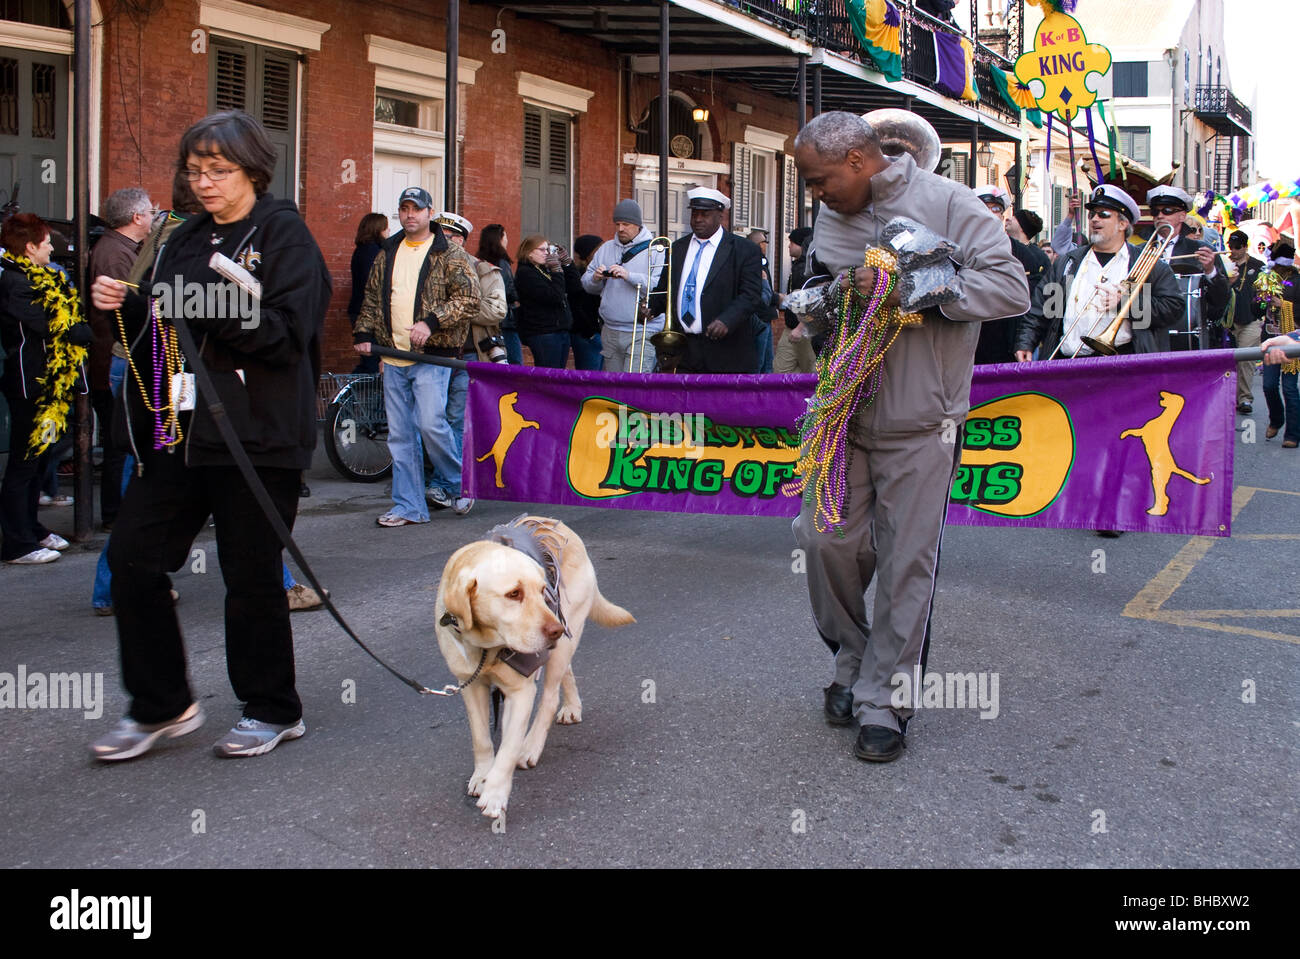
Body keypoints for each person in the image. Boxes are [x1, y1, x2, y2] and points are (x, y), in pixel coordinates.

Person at [87, 110, 332, 760]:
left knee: (250, 576)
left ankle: (272, 707)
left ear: (252, 168)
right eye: (195, 170)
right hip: (185, 429)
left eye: (218, 170)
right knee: (132, 558)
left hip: (259, 434)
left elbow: (286, 333)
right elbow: (167, 327)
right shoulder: (182, 235)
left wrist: (196, 301)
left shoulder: (285, 235)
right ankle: (161, 703)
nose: (203, 182)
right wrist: (127, 302)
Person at [791, 111, 1029, 762]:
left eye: (819, 181)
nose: (815, 195)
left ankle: (882, 703)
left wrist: (911, 288)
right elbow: (820, 295)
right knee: (823, 541)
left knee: (905, 568)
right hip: (846, 415)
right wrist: (839, 291)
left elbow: (1011, 288)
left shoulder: (952, 203)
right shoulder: (835, 212)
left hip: (924, 420)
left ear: (858, 163)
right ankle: (854, 660)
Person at [354, 186, 479, 524]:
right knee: (400, 435)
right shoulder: (388, 250)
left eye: (416, 208)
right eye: (404, 208)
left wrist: (431, 321)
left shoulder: (449, 253)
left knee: (430, 425)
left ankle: (460, 482)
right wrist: (364, 333)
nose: (410, 214)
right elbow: (372, 298)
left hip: (431, 357)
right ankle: (409, 506)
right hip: (393, 355)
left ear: (429, 212)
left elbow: (469, 299)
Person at [0, 212, 91, 565]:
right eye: (47, 242)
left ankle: (32, 528)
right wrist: (76, 331)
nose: (52, 248)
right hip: (29, 386)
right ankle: (16, 542)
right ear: (29, 247)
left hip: (50, 386)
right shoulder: (15, 282)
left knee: (38, 462)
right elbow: (50, 324)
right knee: (24, 465)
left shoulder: (33, 276)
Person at [1015, 184, 1183, 362]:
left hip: (1125, 362)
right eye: (1092, 214)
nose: (1095, 219)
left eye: (1103, 215)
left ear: (1122, 224)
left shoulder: (1147, 264)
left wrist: (1127, 303)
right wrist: (1026, 342)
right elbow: (1042, 308)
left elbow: (1173, 308)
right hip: (1069, 361)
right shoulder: (1069, 263)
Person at [87, 187, 153, 530]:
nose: (155, 217)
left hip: (118, 354)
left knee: (124, 439)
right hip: (116, 355)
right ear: (136, 217)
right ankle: (116, 514)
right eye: (150, 212)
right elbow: (123, 309)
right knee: (121, 440)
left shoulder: (124, 249)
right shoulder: (115, 254)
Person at [650, 187, 764, 374]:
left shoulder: (744, 250)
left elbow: (751, 295)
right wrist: (651, 307)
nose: (698, 219)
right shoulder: (677, 248)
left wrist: (727, 320)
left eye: (705, 214)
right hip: (682, 350)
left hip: (726, 352)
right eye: (694, 213)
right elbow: (666, 289)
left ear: (721, 215)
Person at [1144, 185, 1229, 357]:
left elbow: (1221, 301)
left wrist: (1211, 271)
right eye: (1155, 211)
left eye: (1167, 210)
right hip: (1148, 338)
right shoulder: (1139, 251)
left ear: (1182, 216)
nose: (1160, 215)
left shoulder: (1200, 249)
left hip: (1187, 342)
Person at [580, 199, 664, 372]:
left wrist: (629, 276)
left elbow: (659, 287)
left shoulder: (656, 249)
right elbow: (587, 285)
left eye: (626, 224)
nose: (620, 229)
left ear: (638, 225)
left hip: (642, 330)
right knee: (614, 389)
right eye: (617, 224)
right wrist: (596, 279)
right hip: (610, 329)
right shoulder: (606, 248)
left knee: (635, 387)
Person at [973, 185, 1048, 364]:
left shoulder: (1023, 253)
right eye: (984, 208)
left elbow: (1034, 303)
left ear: (1002, 216)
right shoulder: (959, 249)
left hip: (1007, 344)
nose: (990, 213)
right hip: (970, 341)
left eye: (996, 209)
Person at [514, 234, 579, 369]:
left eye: (548, 250)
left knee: (558, 375)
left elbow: (575, 286)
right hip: (544, 332)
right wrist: (556, 270)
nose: (547, 254)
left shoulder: (545, 269)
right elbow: (555, 296)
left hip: (560, 329)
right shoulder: (526, 273)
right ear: (529, 253)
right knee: (548, 375)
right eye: (542, 250)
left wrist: (567, 263)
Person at [1259, 241, 1299, 448]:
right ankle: (1277, 418)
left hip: (1293, 341)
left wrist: (1283, 304)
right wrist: (1262, 300)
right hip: (1270, 337)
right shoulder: (1267, 279)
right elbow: (1256, 309)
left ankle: (1292, 433)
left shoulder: (1297, 281)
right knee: (1268, 386)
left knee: (1290, 389)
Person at [1223, 229, 1267, 417]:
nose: (1233, 250)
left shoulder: (1258, 266)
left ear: (1246, 247)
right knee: (1227, 362)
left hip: (1250, 320)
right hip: (1228, 322)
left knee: (1246, 361)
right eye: (1231, 246)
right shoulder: (1225, 264)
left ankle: (1245, 398)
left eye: (1237, 247)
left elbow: (1265, 292)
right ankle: (1229, 397)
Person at [348, 212, 388, 375]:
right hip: (368, 313)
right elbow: (373, 286)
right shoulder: (373, 253)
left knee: (369, 362)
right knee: (372, 365)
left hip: (359, 309)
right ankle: (347, 395)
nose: (388, 231)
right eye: (385, 228)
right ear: (378, 229)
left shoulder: (362, 250)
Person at [477, 223, 522, 365]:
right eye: (505, 236)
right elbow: (507, 291)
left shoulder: (480, 262)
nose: (507, 240)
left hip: (490, 318)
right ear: (500, 239)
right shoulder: (502, 263)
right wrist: (517, 297)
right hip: (505, 321)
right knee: (514, 362)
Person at [774, 225, 817, 374]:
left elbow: (812, 302)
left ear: (801, 244)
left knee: (811, 373)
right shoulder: (796, 266)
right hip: (789, 328)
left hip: (805, 331)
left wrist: (800, 327)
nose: (788, 245)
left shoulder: (809, 269)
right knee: (780, 372)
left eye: (791, 242)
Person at [569, 234, 606, 370]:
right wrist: (590, 333)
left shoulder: (602, 273)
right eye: (598, 251)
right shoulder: (578, 276)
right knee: (589, 376)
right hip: (587, 335)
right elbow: (577, 306)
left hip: (599, 333)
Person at [747, 227, 779, 373]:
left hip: (765, 318)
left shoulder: (762, 263)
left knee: (767, 363)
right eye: (764, 242)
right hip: (759, 321)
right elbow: (763, 296)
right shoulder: (754, 266)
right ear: (759, 245)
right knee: (759, 364)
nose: (766, 245)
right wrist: (777, 299)